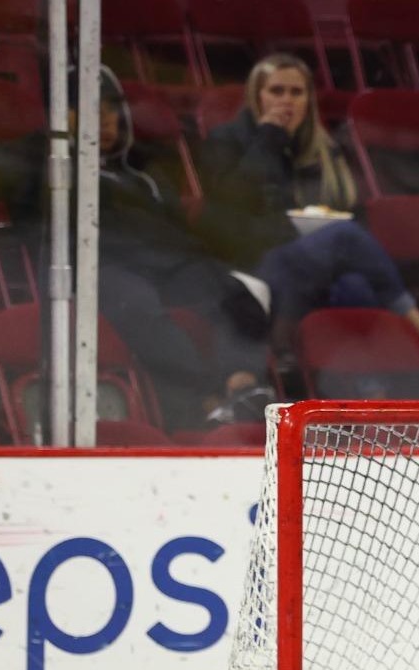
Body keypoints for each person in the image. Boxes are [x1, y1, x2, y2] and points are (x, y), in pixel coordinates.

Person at [19, 68, 277, 430]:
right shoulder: (49, 167)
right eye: (90, 109)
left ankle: (243, 388)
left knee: (240, 290)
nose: (105, 120)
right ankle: (208, 400)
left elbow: (178, 233)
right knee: (139, 304)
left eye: (111, 110)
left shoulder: (142, 175)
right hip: (98, 266)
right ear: (63, 115)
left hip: (165, 264)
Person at [197, 54, 419, 350]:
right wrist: (269, 137)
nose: (286, 101)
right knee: (344, 236)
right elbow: (233, 200)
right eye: (276, 91)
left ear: (308, 100)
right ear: (256, 96)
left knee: (355, 287)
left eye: (296, 93)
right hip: (254, 267)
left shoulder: (321, 149)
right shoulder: (227, 139)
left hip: (310, 266)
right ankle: (417, 324)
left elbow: (352, 213)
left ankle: (367, 391)